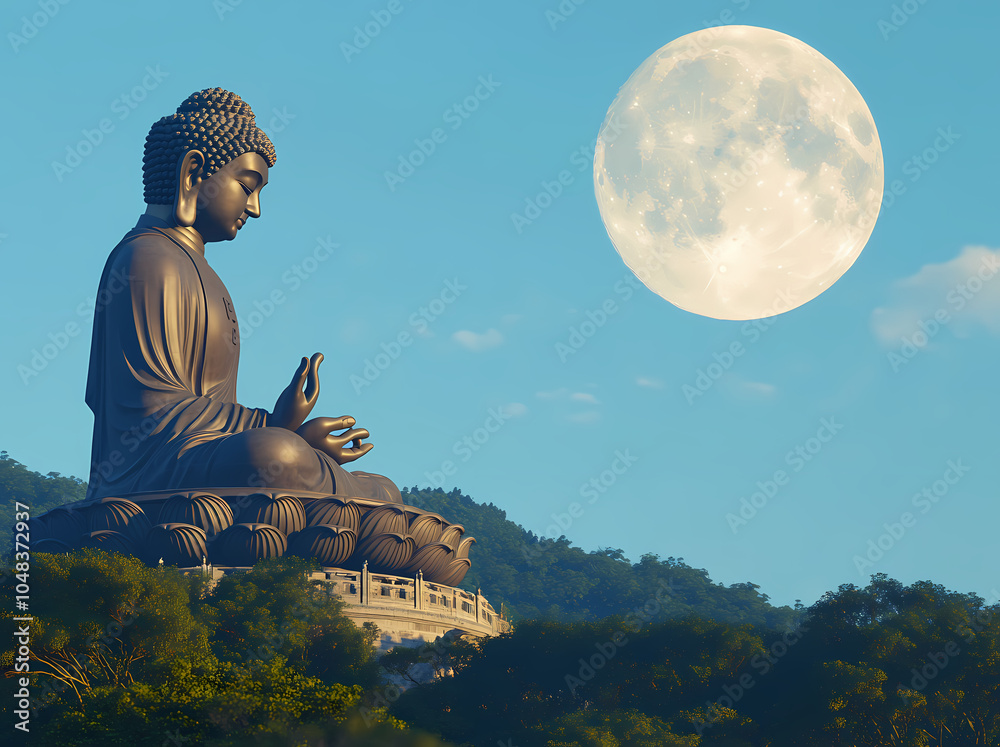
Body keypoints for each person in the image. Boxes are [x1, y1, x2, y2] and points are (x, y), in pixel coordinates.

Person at [85, 88, 401, 503]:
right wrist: (278, 429)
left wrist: (282, 423)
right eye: (248, 186)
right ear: (192, 174)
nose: (254, 208)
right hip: (148, 474)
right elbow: (153, 415)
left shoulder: (201, 270)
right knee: (278, 454)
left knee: (383, 491)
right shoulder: (147, 257)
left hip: (209, 462)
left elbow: (209, 416)